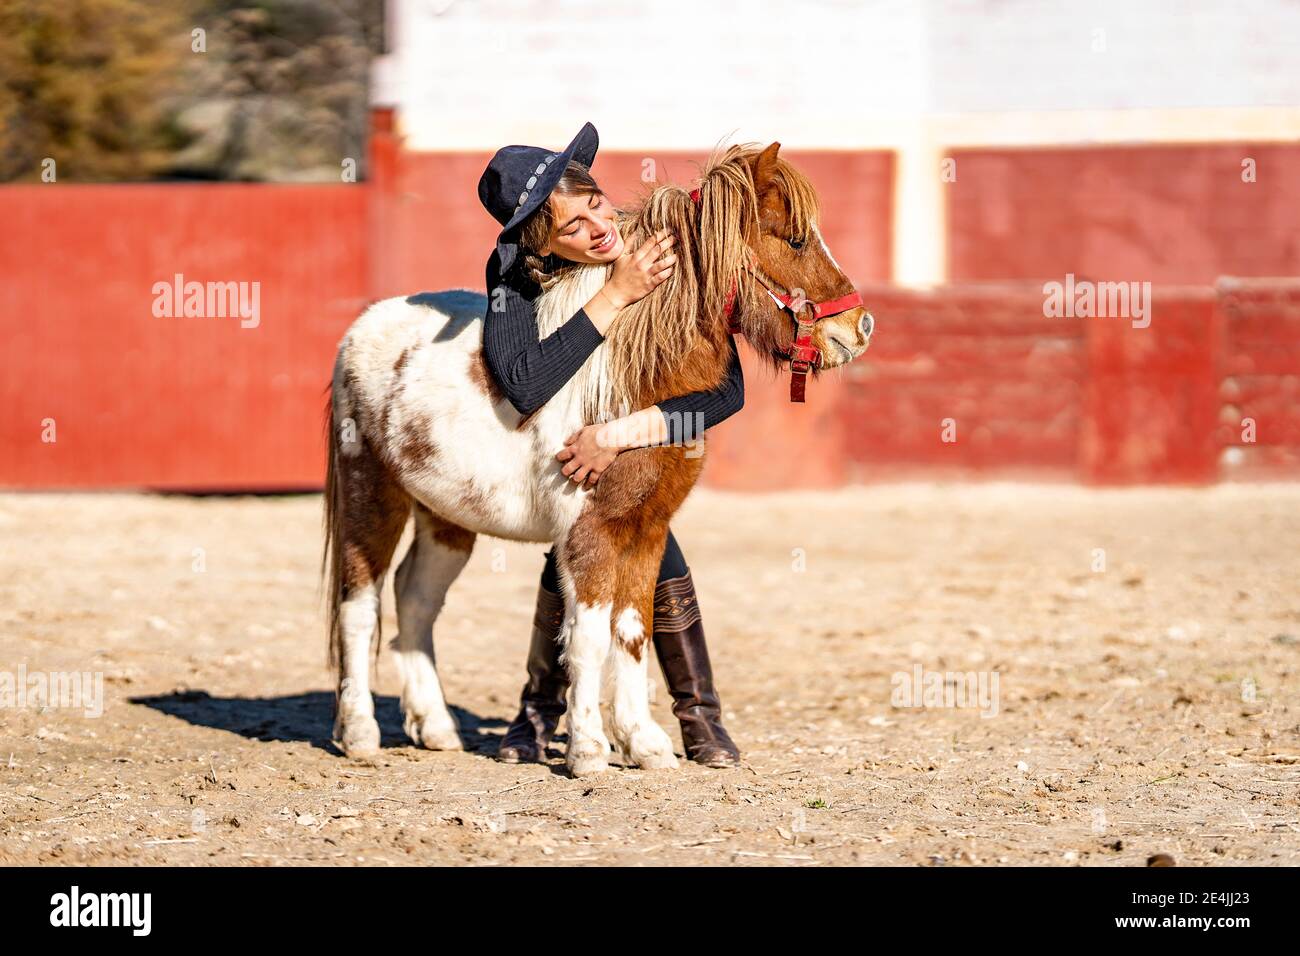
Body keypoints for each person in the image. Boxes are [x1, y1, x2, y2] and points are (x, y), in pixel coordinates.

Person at [476, 122, 744, 768]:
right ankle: (667, 716)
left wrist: (617, 437)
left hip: (649, 437)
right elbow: (521, 384)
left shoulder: (656, 244)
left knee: (631, 524)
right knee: (593, 529)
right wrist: (617, 293)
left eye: (595, 200)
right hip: (557, 453)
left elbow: (727, 396)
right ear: (542, 242)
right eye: (573, 227)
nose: (600, 228)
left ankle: (671, 713)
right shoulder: (516, 274)